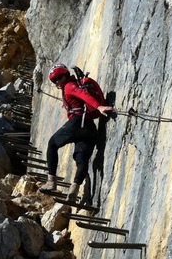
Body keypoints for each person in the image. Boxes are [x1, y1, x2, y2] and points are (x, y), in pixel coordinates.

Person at [39, 64, 115, 201]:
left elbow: (83, 95)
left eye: (59, 78)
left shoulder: (69, 86)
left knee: (52, 144)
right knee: (81, 159)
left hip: (78, 122)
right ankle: (74, 188)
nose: (57, 82)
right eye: (54, 80)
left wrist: (99, 107)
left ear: (66, 75)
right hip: (89, 127)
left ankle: (51, 181)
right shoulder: (69, 87)